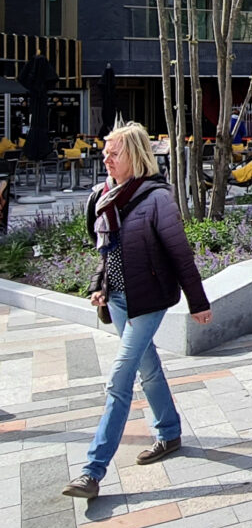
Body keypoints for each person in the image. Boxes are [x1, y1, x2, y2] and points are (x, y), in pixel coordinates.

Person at [63, 122, 212, 500]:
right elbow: (105, 251)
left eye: (114, 153)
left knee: (119, 379)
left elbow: (180, 253)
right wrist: (100, 285)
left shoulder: (156, 198)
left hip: (149, 300)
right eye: (105, 153)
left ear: (135, 156)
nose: (106, 159)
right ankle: (169, 432)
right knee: (147, 367)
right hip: (118, 300)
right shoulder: (101, 194)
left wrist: (198, 302)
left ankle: (91, 472)